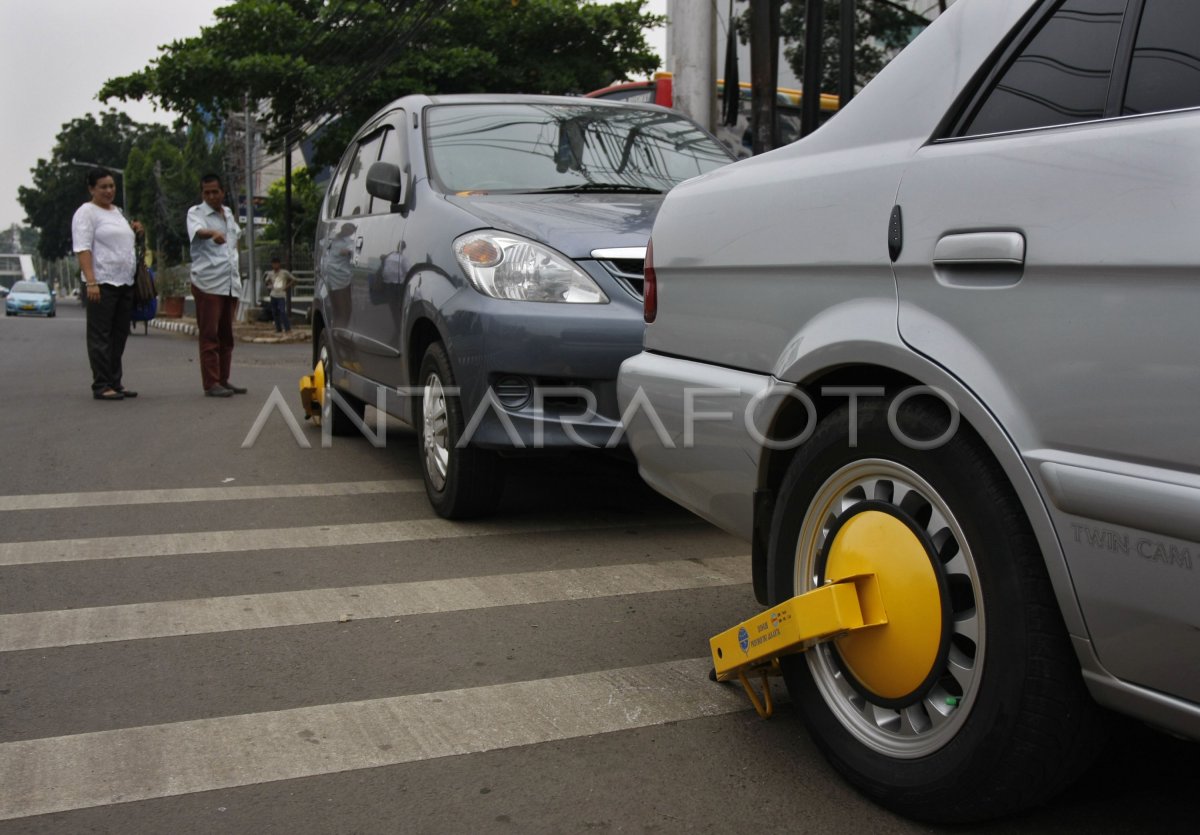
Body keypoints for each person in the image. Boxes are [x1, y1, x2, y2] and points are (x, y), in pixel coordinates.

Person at [71, 167, 144, 401]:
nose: (109, 191)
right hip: (101, 283)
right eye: (103, 187)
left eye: (111, 186)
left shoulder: (118, 212)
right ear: (91, 189)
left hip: (125, 282)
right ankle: (101, 384)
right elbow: (83, 247)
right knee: (100, 335)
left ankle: (115, 381)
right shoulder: (87, 213)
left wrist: (137, 232)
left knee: (119, 334)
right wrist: (91, 281)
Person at [187, 174, 246, 398]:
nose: (211, 196)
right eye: (206, 192)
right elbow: (199, 231)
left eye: (215, 191)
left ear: (223, 192)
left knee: (226, 335)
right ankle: (211, 383)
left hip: (229, 283)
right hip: (208, 283)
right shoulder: (196, 213)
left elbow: (234, 241)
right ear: (202, 194)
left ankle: (223, 379)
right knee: (209, 336)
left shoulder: (229, 214)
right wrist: (212, 232)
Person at [264, 256, 297, 336]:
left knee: (282, 311)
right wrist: (270, 285)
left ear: (279, 264)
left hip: (281, 295)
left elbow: (294, 279)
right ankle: (278, 329)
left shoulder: (284, 272)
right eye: (273, 264)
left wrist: (287, 287)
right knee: (275, 312)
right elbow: (266, 281)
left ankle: (287, 328)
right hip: (273, 295)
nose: (275, 266)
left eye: (276, 264)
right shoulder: (270, 273)